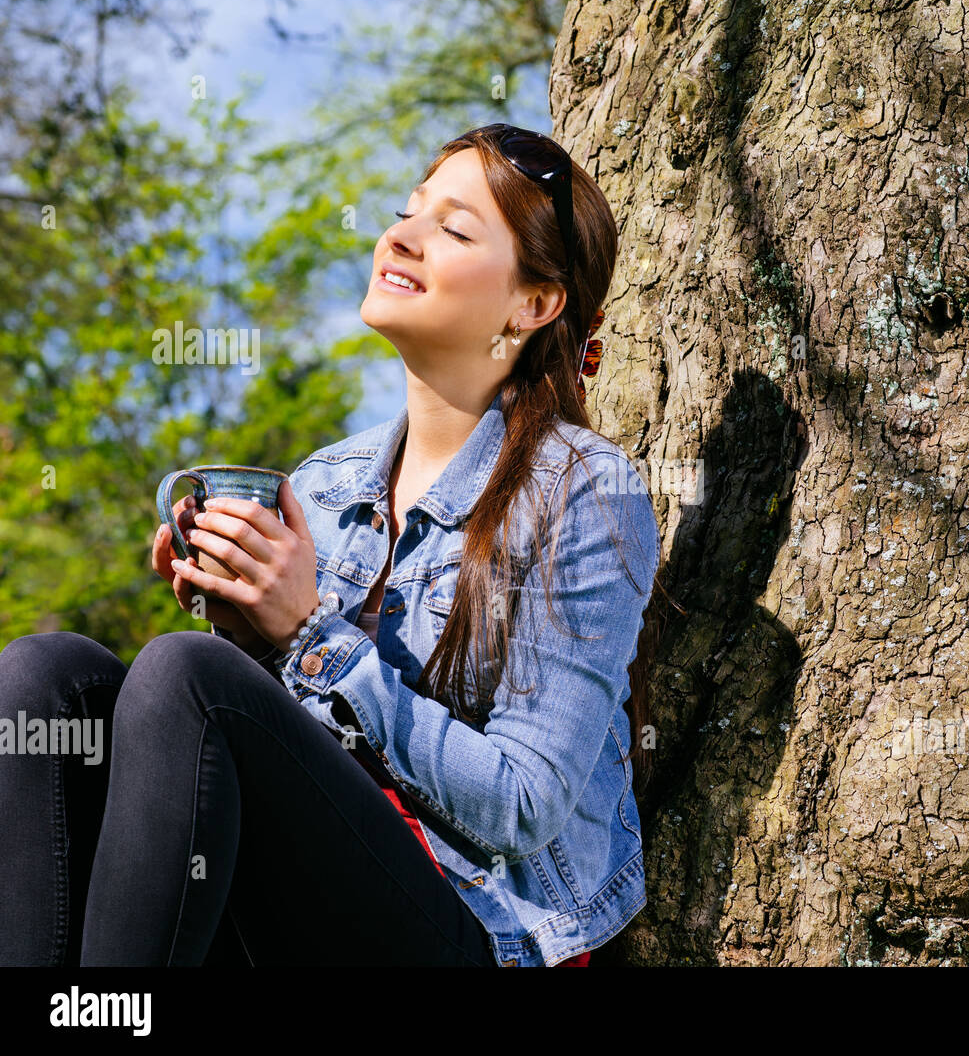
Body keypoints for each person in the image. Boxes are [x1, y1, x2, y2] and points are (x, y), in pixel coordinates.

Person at [0, 122, 663, 967]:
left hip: (479, 928)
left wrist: (308, 631)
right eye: (407, 212)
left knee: (184, 678)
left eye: (454, 230)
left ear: (532, 306)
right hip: (303, 914)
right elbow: (277, 757)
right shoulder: (326, 480)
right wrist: (246, 625)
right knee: (42, 677)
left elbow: (523, 802)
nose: (401, 236)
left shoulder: (585, 491)